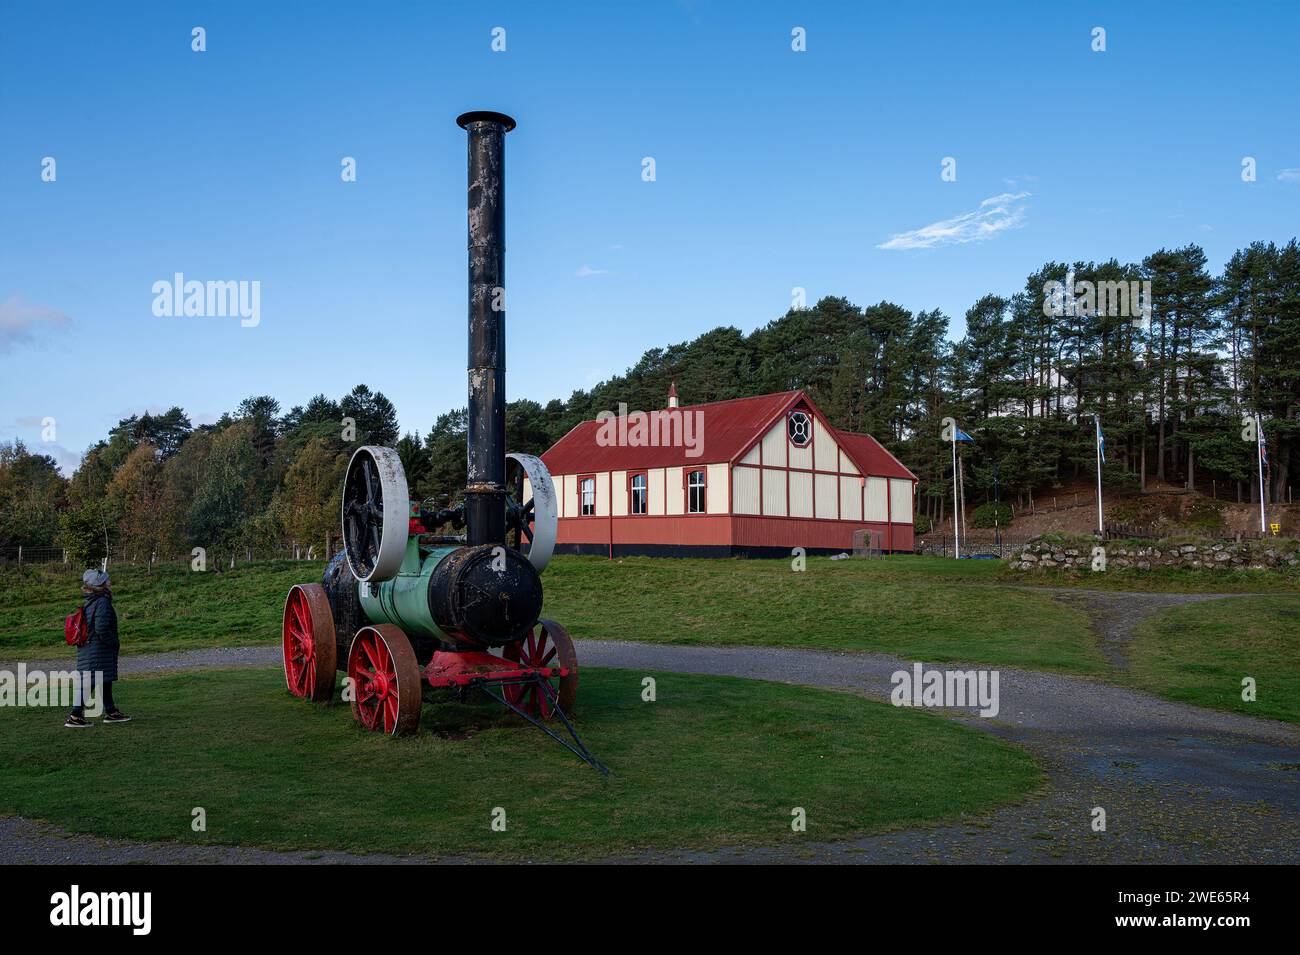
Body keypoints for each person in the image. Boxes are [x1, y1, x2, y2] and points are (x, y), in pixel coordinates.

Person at [64, 569, 131, 728]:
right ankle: (75, 715)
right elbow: (101, 628)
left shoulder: (92, 600)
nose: (110, 582)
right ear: (101, 585)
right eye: (107, 580)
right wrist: (113, 642)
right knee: (92, 681)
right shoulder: (102, 602)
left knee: (103, 678)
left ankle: (111, 711)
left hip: (91, 648)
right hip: (98, 648)